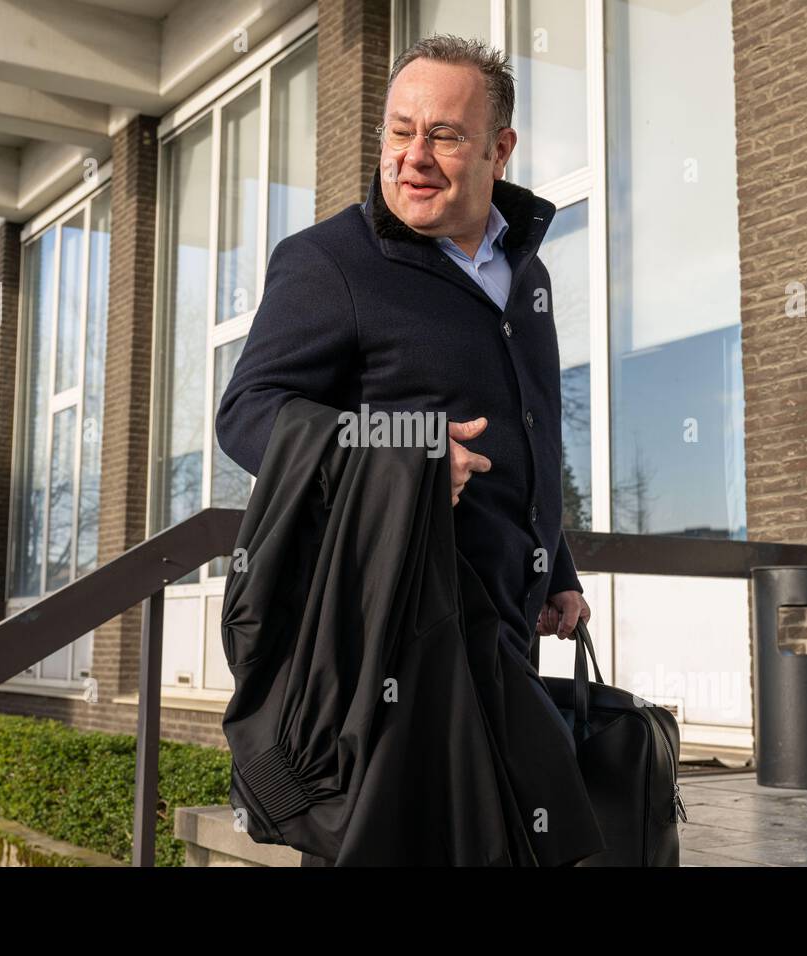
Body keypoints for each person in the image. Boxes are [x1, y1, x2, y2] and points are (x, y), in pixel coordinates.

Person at [216, 33, 596, 866]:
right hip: (390, 640)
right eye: (399, 131)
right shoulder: (328, 262)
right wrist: (405, 454)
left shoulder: (525, 273)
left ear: (500, 150)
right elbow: (246, 414)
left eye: (444, 135)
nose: (413, 157)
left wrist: (556, 565)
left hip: (503, 629)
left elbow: (530, 430)